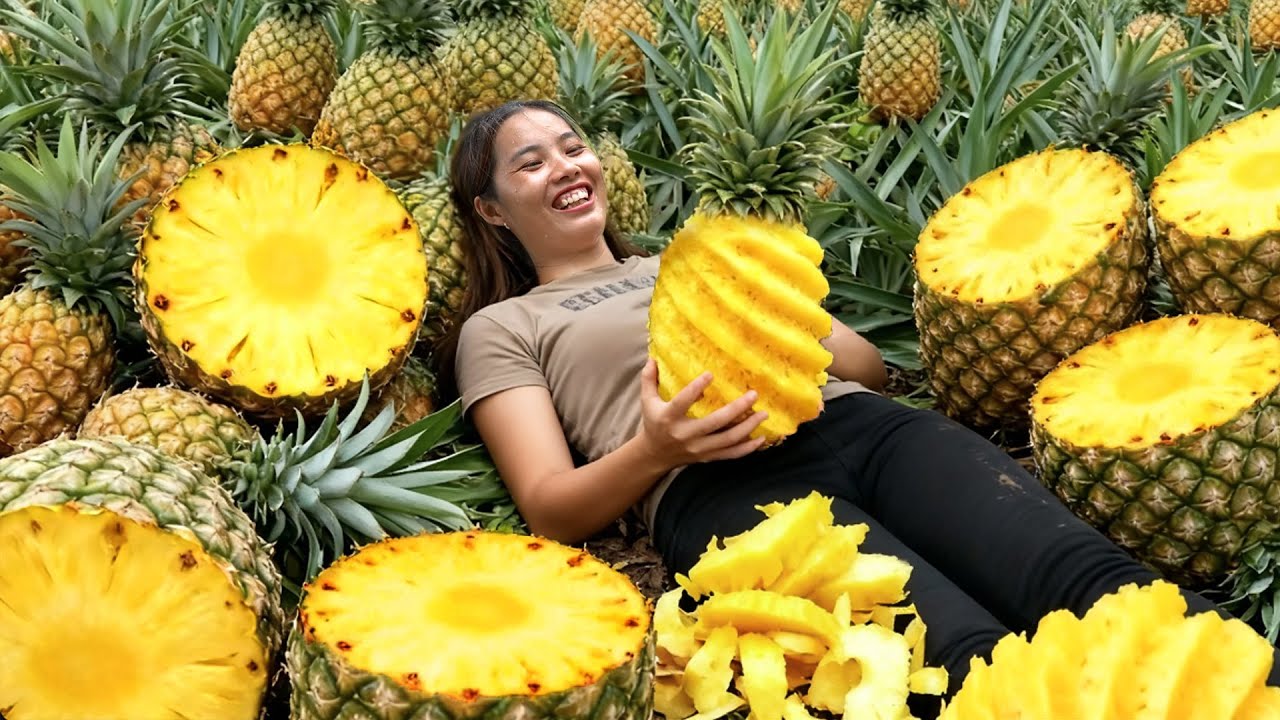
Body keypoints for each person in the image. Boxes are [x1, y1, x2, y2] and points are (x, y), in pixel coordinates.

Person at [433, 98, 1280, 704]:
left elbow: (867, 369)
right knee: (956, 658)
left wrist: (779, 307)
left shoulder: (685, 260)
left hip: (861, 426)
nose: (565, 167)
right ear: (492, 209)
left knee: (1088, 581)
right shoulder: (506, 325)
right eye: (529, 162)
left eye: (571, 146)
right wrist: (659, 448)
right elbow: (548, 507)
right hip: (718, 491)